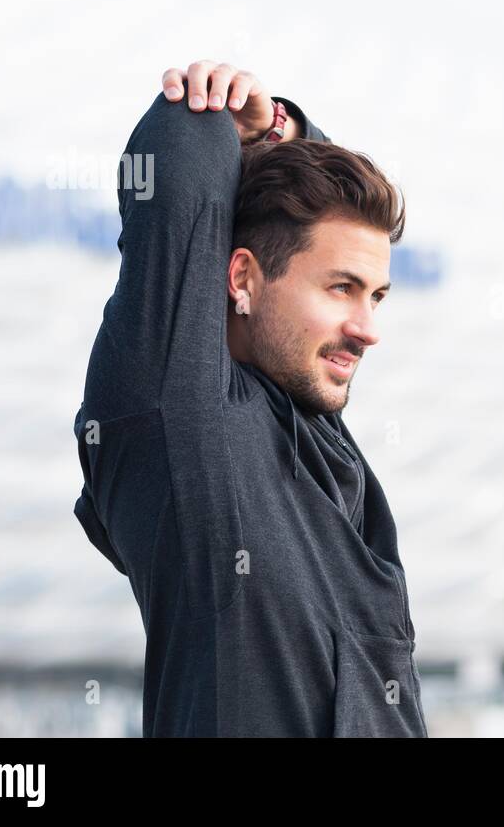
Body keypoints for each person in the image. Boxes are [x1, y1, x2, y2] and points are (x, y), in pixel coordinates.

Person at [71, 60, 427, 736]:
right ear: (241, 278)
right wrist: (208, 118)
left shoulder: (324, 448)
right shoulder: (178, 419)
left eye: (376, 296)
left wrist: (283, 133)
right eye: (340, 289)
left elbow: (309, 199)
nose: (368, 329)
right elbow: (175, 192)